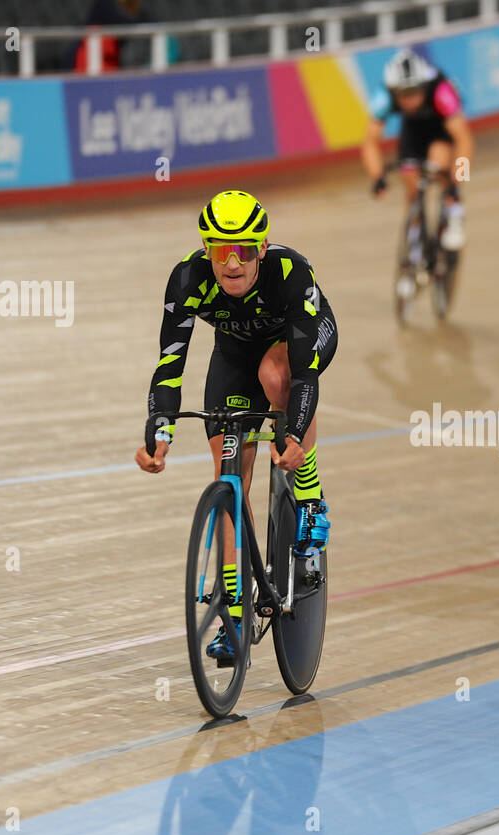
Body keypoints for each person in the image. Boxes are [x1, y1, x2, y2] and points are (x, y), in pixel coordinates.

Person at [134, 191, 337, 661]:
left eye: (243, 249)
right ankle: (235, 613)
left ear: (262, 248)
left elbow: (303, 376)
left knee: (275, 375)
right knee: (229, 475)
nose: (230, 262)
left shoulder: (290, 274)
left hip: (299, 343)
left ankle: (309, 496)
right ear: (206, 249)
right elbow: (170, 363)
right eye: (219, 248)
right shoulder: (187, 278)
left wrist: (292, 436)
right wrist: (158, 434)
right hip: (234, 354)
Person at [362, 49, 474, 252]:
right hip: (413, 130)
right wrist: (377, 177)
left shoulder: (441, 91)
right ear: (393, 91)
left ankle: (454, 211)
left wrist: (458, 180)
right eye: (402, 94)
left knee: (439, 161)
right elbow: (370, 141)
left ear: (424, 86)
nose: (409, 99)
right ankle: (415, 239)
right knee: (410, 181)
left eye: (414, 92)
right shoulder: (384, 97)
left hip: (441, 128)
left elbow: (463, 139)